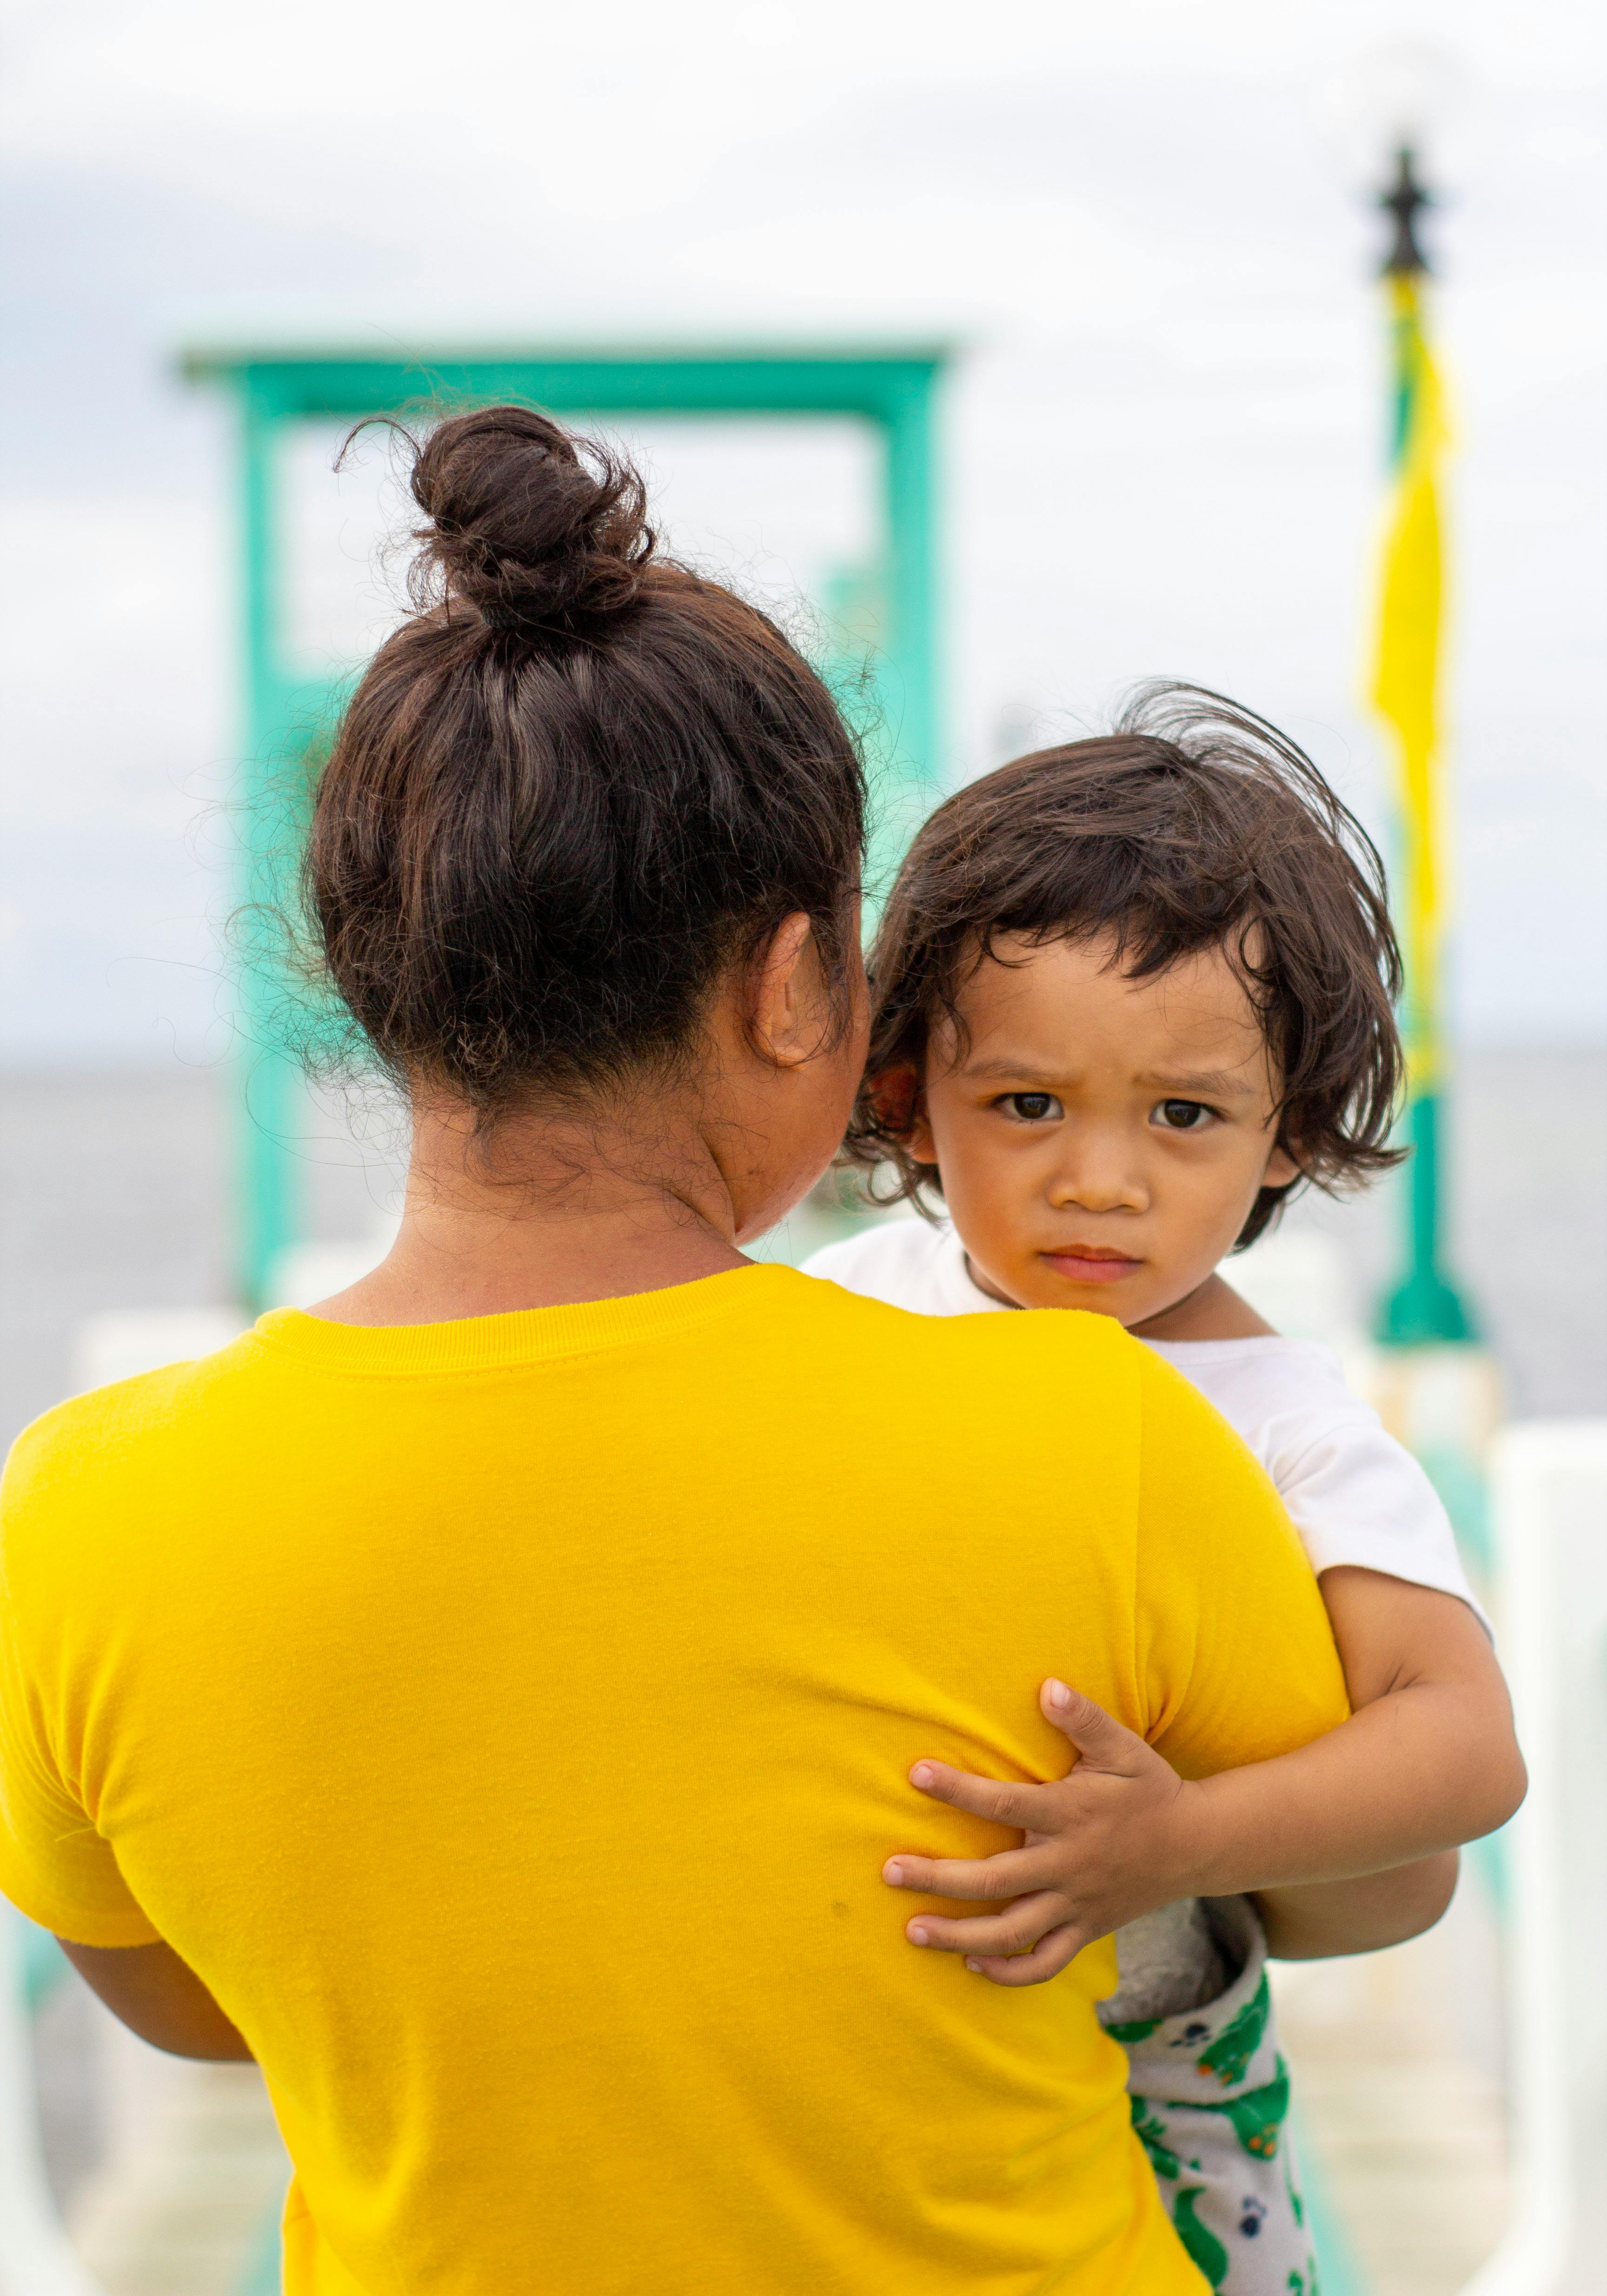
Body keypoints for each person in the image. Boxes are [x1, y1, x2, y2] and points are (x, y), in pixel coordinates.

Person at [1, 415, 1453, 2296]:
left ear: (376, 983)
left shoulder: (81, 1510)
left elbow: (199, 2013)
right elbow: (1378, 1880)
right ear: (794, 990)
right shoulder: (1091, 1422)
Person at [804, 687, 1526, 2291]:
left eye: (1184, 1116)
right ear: (911, 1088)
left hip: (1152, 2035)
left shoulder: (1285, 1424)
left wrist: (1182, 1839)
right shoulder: (842, 1309)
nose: (1101, 1179)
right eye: (1029, 1104)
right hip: (865, 2012)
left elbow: (1464, 1747)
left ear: (1286, 1135)